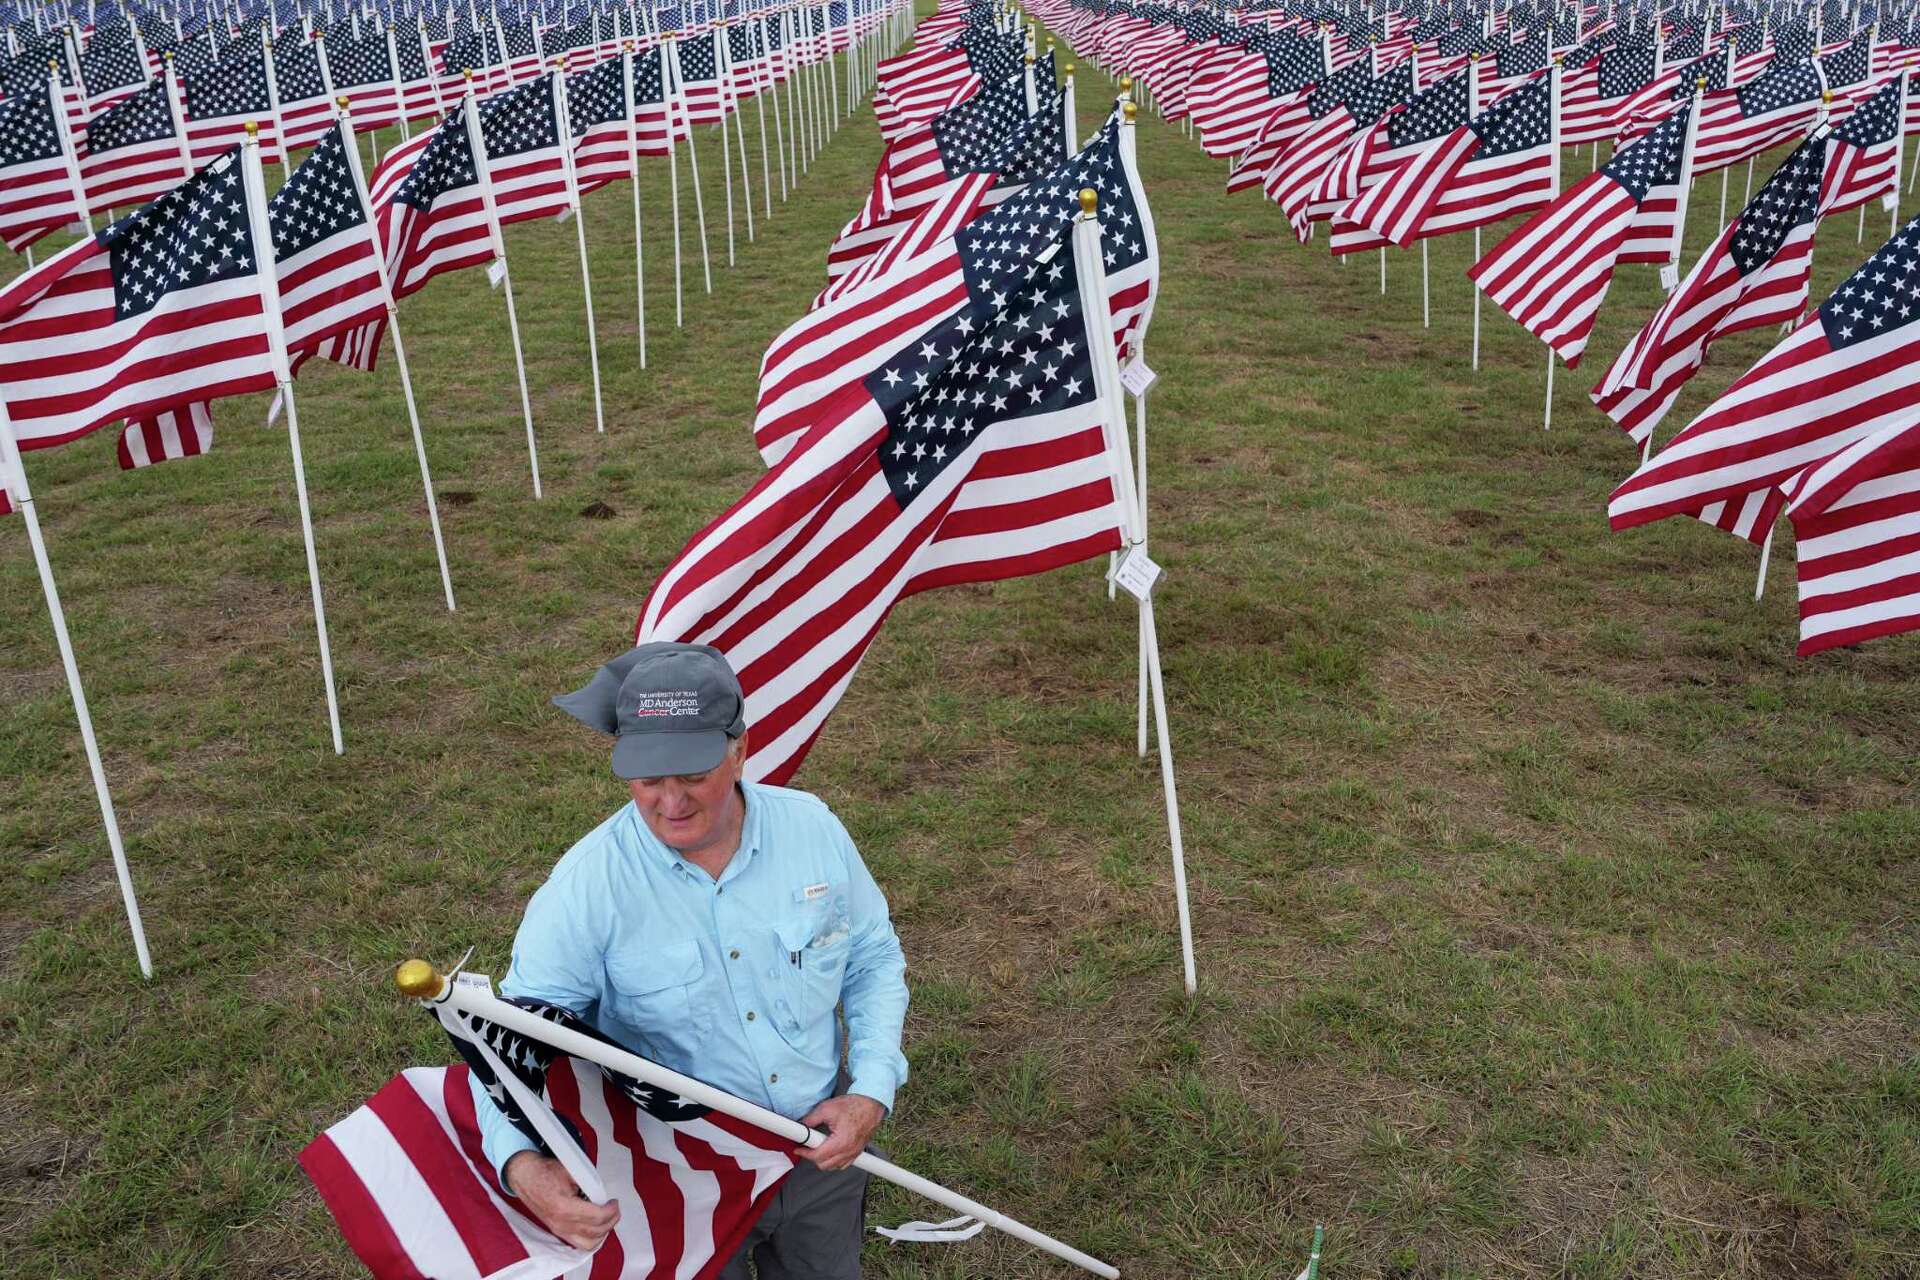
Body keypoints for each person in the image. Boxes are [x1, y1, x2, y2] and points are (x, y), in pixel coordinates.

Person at [472, 642, 909, 1279]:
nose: (671, 802)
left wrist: (870, 1089)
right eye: (649, 780)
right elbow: (509, 1040)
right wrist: (520, 1164)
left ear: (739, 750)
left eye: (693, 775)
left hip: (819, 1148)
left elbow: (871, 957)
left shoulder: (813, 830)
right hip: (684, 1171)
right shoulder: (586, 888)